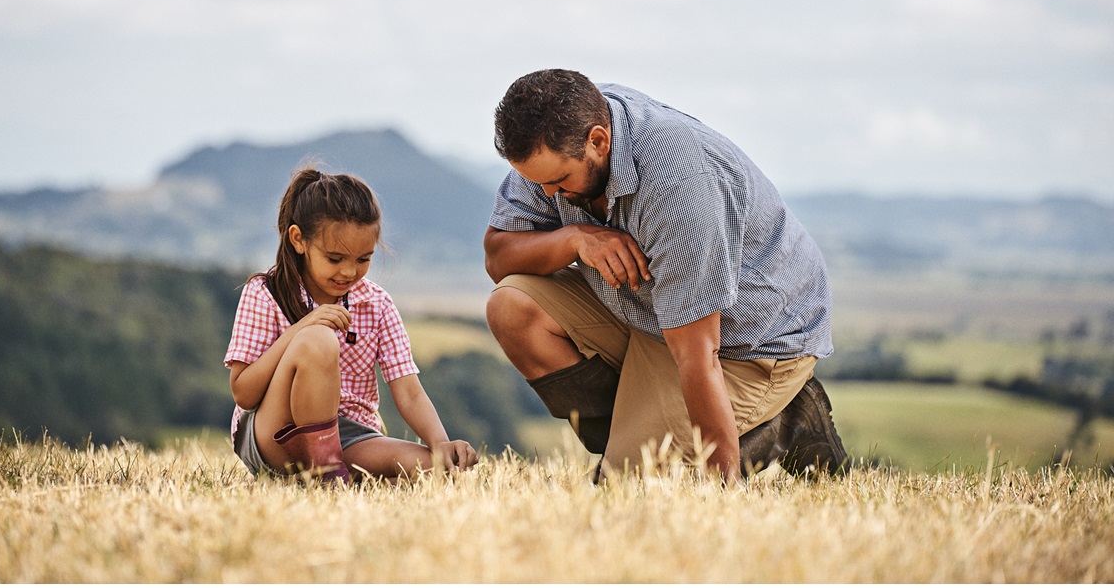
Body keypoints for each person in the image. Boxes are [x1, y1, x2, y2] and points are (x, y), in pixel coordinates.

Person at [484, 68, 848, 483]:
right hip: (651, 321)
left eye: (559, 181)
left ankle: (780, 423)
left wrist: (721, 487)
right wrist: (574, 238)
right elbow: (498, 256)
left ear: (599, 142)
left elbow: (698, 355)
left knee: (631, 492)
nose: (548, 195)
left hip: (745, 344)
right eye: (538, 183)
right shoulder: (554, 137)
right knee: (511, 306)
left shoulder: (679, 181)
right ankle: (632, 444)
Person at [224, 167, 478, 483]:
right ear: (299, 240)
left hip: (350, 436)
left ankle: (332, 469)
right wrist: (300, 330)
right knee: (317, 340)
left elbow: (408, 391)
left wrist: (441, 444)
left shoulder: (378, 304)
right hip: (275, 434)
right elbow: (244, 393)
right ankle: (329, 476)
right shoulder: (264, 292)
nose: (348, 272)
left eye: (363, 259)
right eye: (334, 258)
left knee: (436, 471)